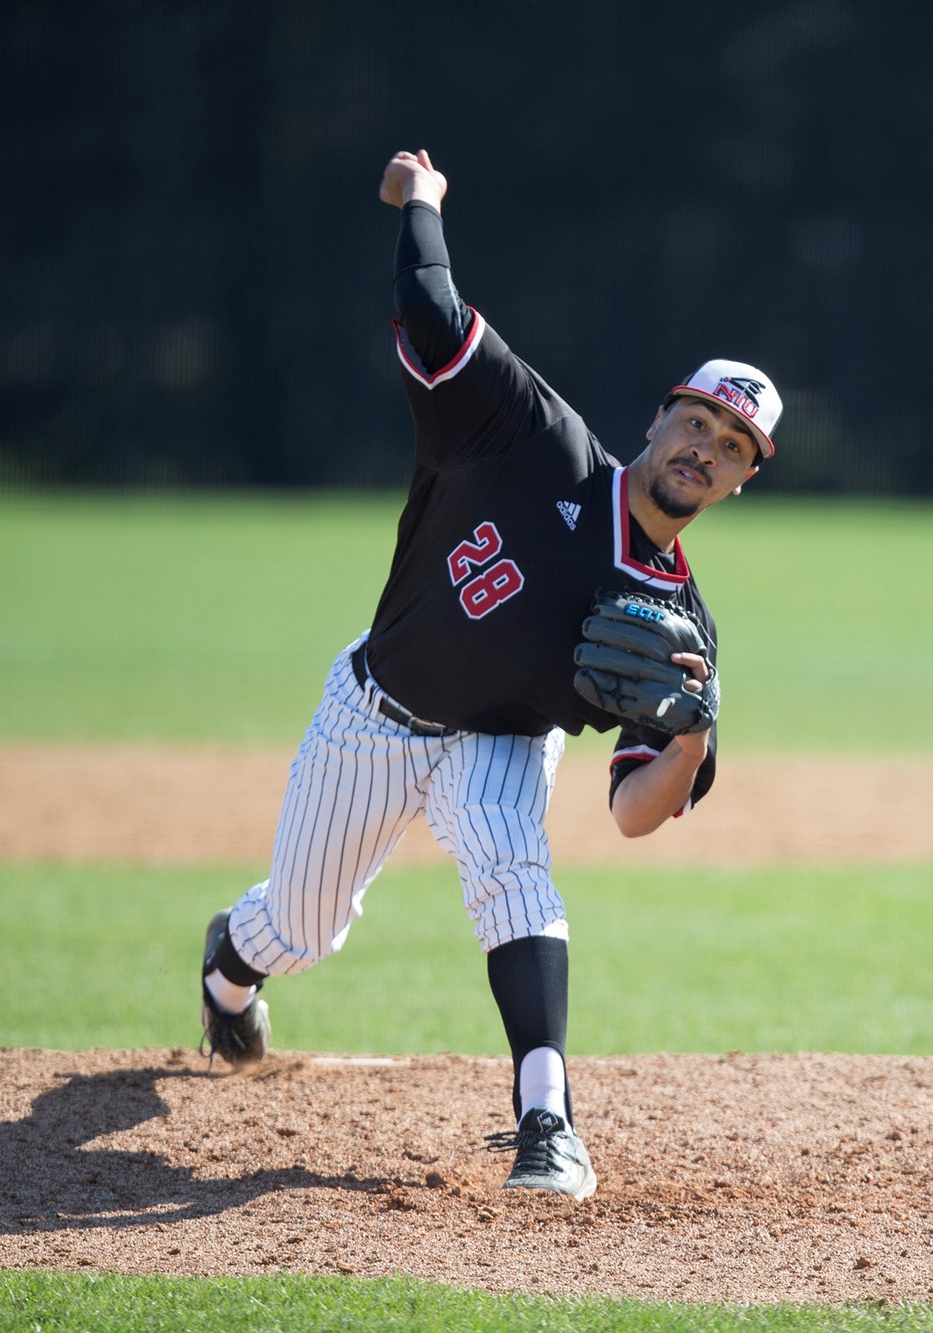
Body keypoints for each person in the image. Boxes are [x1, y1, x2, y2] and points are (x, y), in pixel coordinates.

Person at [197, 148, 784, 1202]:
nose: (704, 447)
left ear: (742, 481)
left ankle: (546, 1122)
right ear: (657, 418)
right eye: (695, 421)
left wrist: (691, 738)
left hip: (506, 737)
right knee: (302, 927)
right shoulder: (532, 437)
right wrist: (421, 200)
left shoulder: (680, 622)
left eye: (732, 444)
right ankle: (228, 965)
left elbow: (633, 815)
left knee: (514, 867)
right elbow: (431, 309)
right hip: (376, 709)